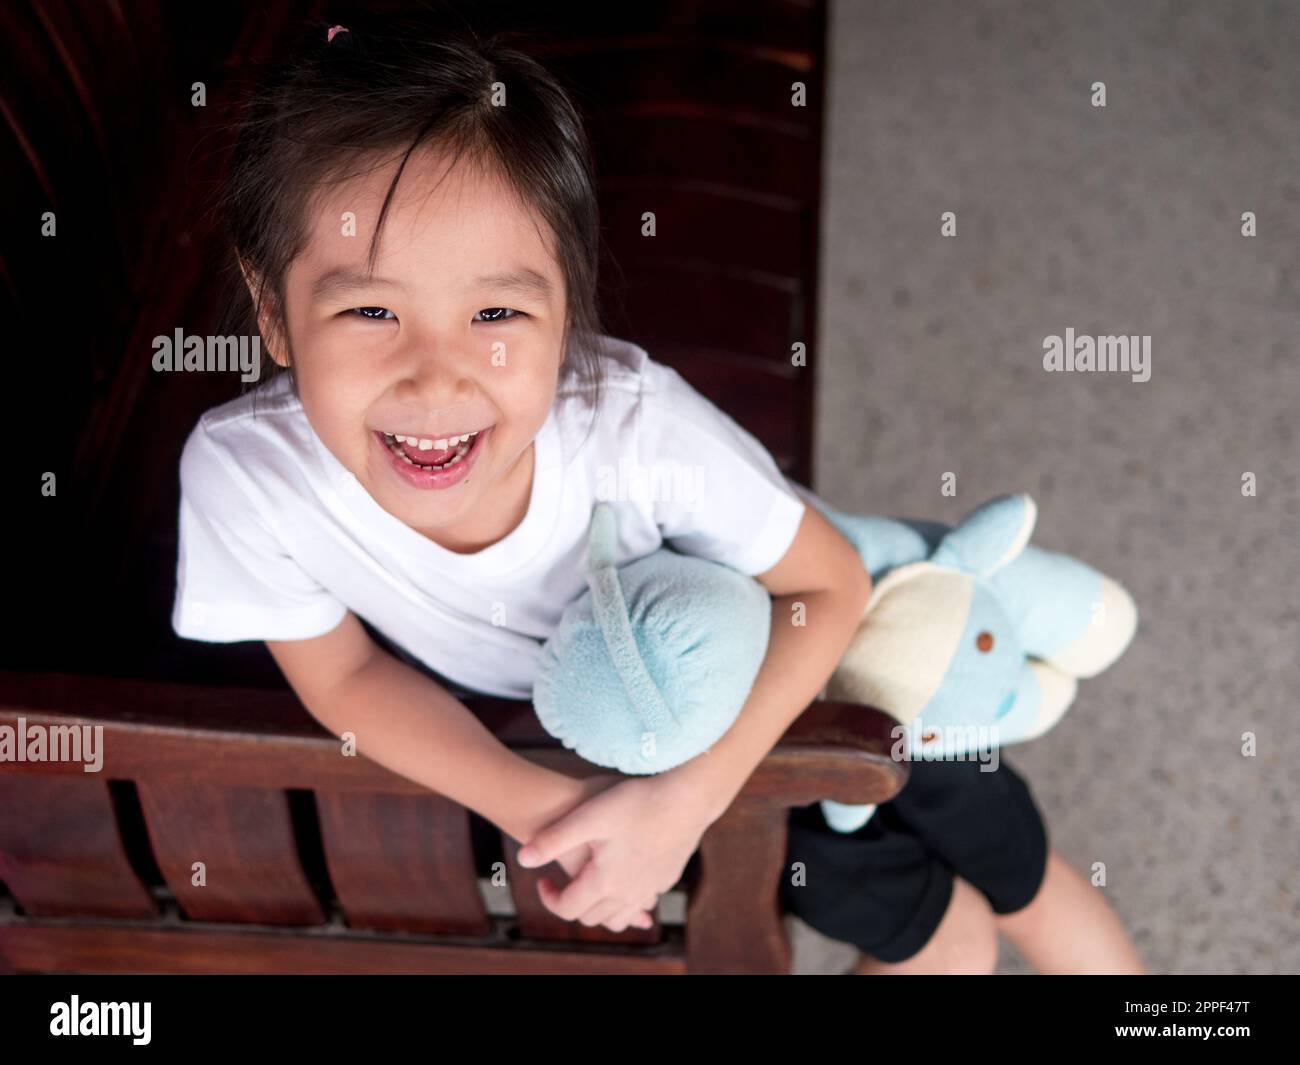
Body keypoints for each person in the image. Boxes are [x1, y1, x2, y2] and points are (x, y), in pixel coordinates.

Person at [173, 18, 1143, 973]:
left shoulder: (632, 428)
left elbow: (830, 586)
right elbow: (345, 681)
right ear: (273, 312)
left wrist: (683, 804)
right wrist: (551, 817)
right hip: (667, 720)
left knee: (1019, 886)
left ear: (567, 305)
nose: (437, 379)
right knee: (947, 942)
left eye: (499, 311)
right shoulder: (248, 478)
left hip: (876, 650)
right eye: (371, 310)